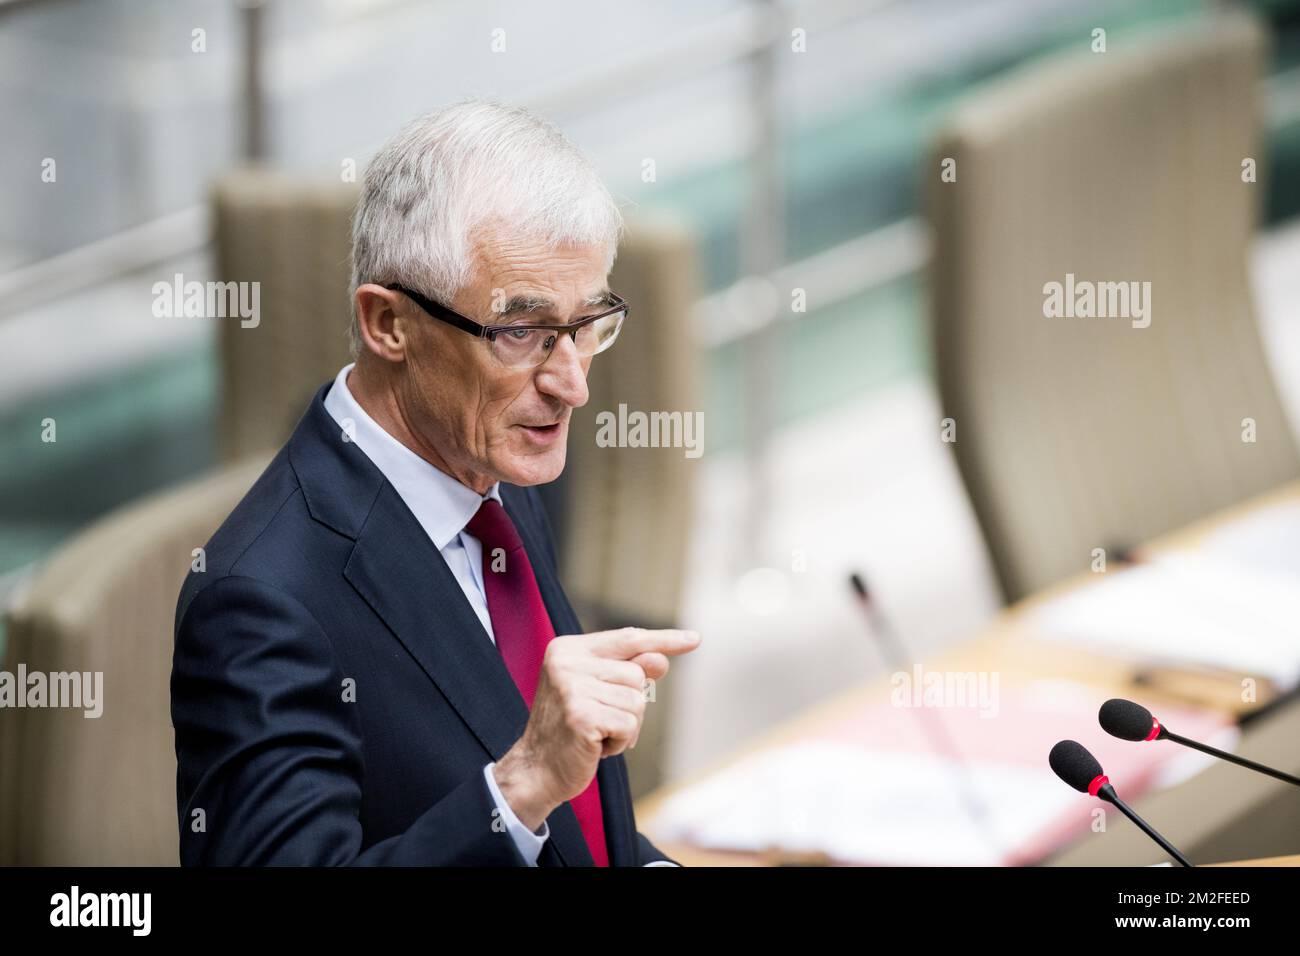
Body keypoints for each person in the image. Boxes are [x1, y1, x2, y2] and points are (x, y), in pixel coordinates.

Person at [171, 100, 701, 865]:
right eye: (521, 332)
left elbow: (575, 828)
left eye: (588, 325)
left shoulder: (494, 465)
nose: (571, 383)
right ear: (388, 323)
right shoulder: (258, 603)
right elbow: (532, 788)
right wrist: (521, 785)